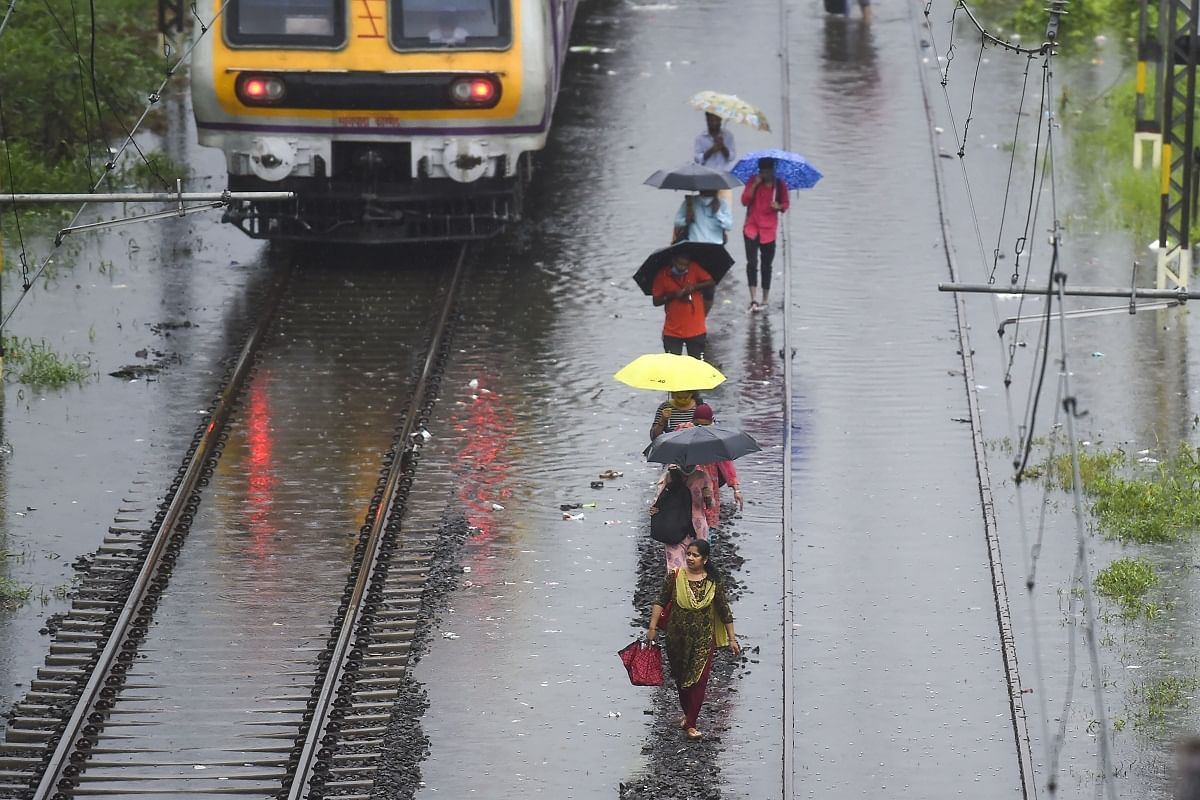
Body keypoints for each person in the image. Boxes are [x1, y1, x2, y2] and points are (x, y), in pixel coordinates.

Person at [645, 539, 740, 740]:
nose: (690, 558)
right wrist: (652, 627)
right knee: (682, 679)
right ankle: (688, 715)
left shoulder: (713, 582)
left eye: (695, 555)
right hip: (677, 638)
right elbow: (660, 600)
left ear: (705, 559)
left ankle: (691, 724)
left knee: (699, 680)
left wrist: (732, 639)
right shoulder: (675, 576)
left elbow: (724, 610)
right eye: (688, 554)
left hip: (703, 639)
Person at [741, 157, 790, 312]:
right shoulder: (753, 181)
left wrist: (778, 206)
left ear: (773, 171)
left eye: (768, 171)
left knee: (766, 265)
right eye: (762, 171)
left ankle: (765, 299)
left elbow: (786, 204)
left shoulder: (780, 185)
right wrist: (754, 185)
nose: (765, 174)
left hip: (769, 231)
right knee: (752, 263)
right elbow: (744, 200)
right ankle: (753, 298)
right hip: (751, 228)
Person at [649, 465, 713, 571]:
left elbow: (710, 505)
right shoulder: (670, 476)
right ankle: (680, 580)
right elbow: (659, 500)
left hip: (687, 525)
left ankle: (684, 580)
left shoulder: (702, 477)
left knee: (689, 564)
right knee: (679, 564)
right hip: (680, 524)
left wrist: (708, 497)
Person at [652, 255, 714, 359]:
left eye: (686, 265)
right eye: (680, 264)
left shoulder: (694, 268)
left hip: (696, 330)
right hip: (672, 331)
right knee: (672, 365)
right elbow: (656, 301)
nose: (683, 267)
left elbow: (711, 282)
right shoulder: (662, 275)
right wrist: (673, 295)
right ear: (673, 261)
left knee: (697, 365)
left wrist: (694, 287)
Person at [691, 404, 744, 521]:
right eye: (698, 425)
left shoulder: (716, 440)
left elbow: (727, 465)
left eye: (705, 425)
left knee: (708, 510)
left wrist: (736, 490)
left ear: (711, 422)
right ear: (692, 422)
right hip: (688, 480)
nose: (701, 428)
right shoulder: (684, 434)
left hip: (710, 481)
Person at [694, 112, 737, 208]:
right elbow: (697, 159)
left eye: (717, 120)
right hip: (707, 180)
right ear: (707, 120)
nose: (714, 123)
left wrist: (723, 147)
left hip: (724, 179)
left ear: (721, 120)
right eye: (711, 120)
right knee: (707, 209)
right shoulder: (700, 138)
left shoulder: (728, 136)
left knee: (725, 209)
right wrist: (712, 150)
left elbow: (731, 157)